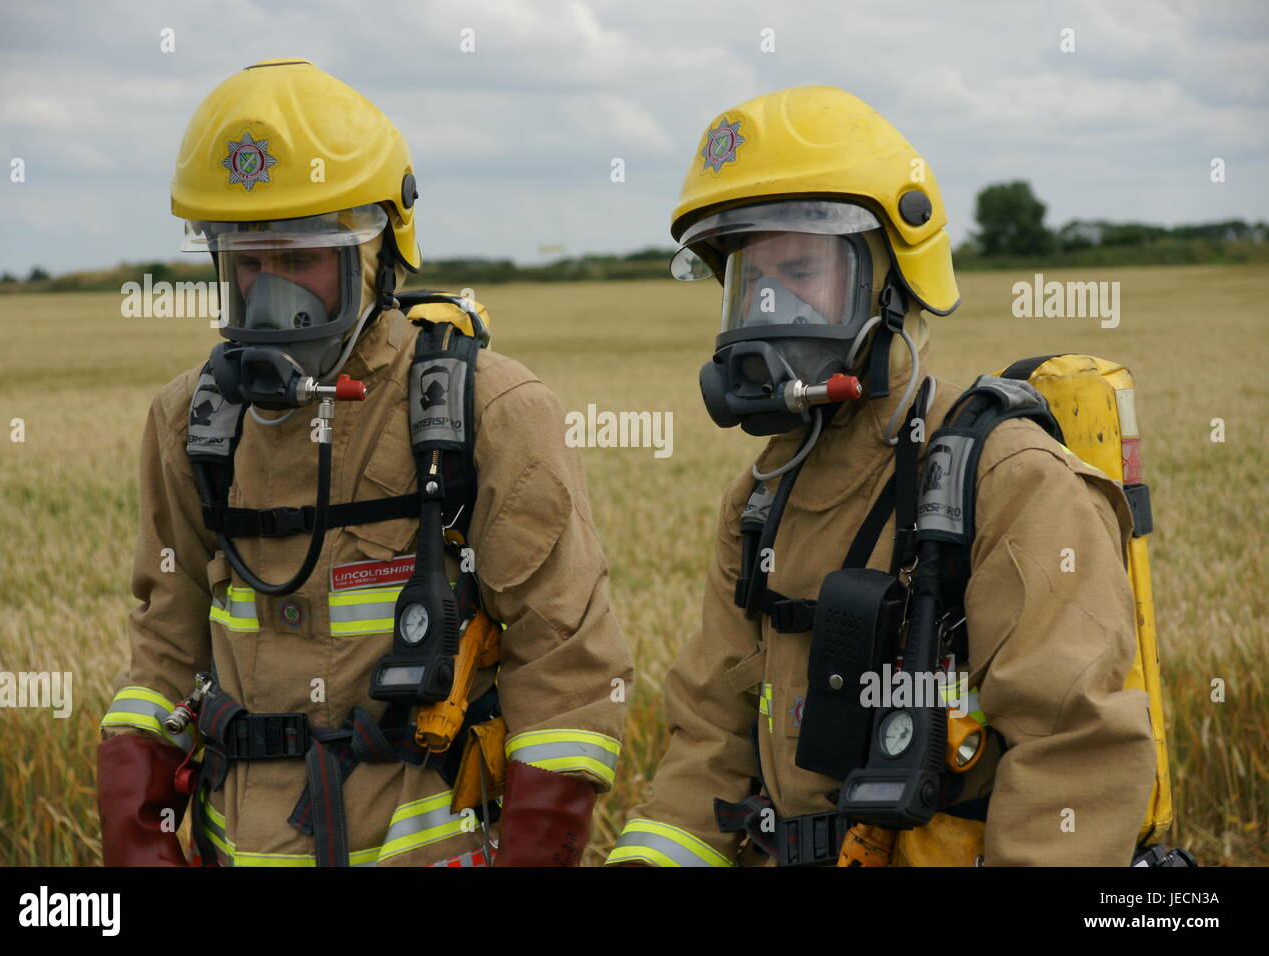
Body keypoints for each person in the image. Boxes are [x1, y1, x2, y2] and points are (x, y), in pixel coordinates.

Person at [97, 58, 631, 867]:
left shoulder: (486, 409)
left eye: (301, 259)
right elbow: (165, 648)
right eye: (248, 260)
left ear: (375, 255)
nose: (272, 292)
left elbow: (568, 668)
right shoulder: (191, 423)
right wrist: (136, 820)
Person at [607, 86, 1155, 867]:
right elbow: (710, 739)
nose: (770, 307)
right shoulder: (761, 502)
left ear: (893, 281)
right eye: (749, 281)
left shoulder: (1008, 480)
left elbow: (1075, 759)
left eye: (799, 270)